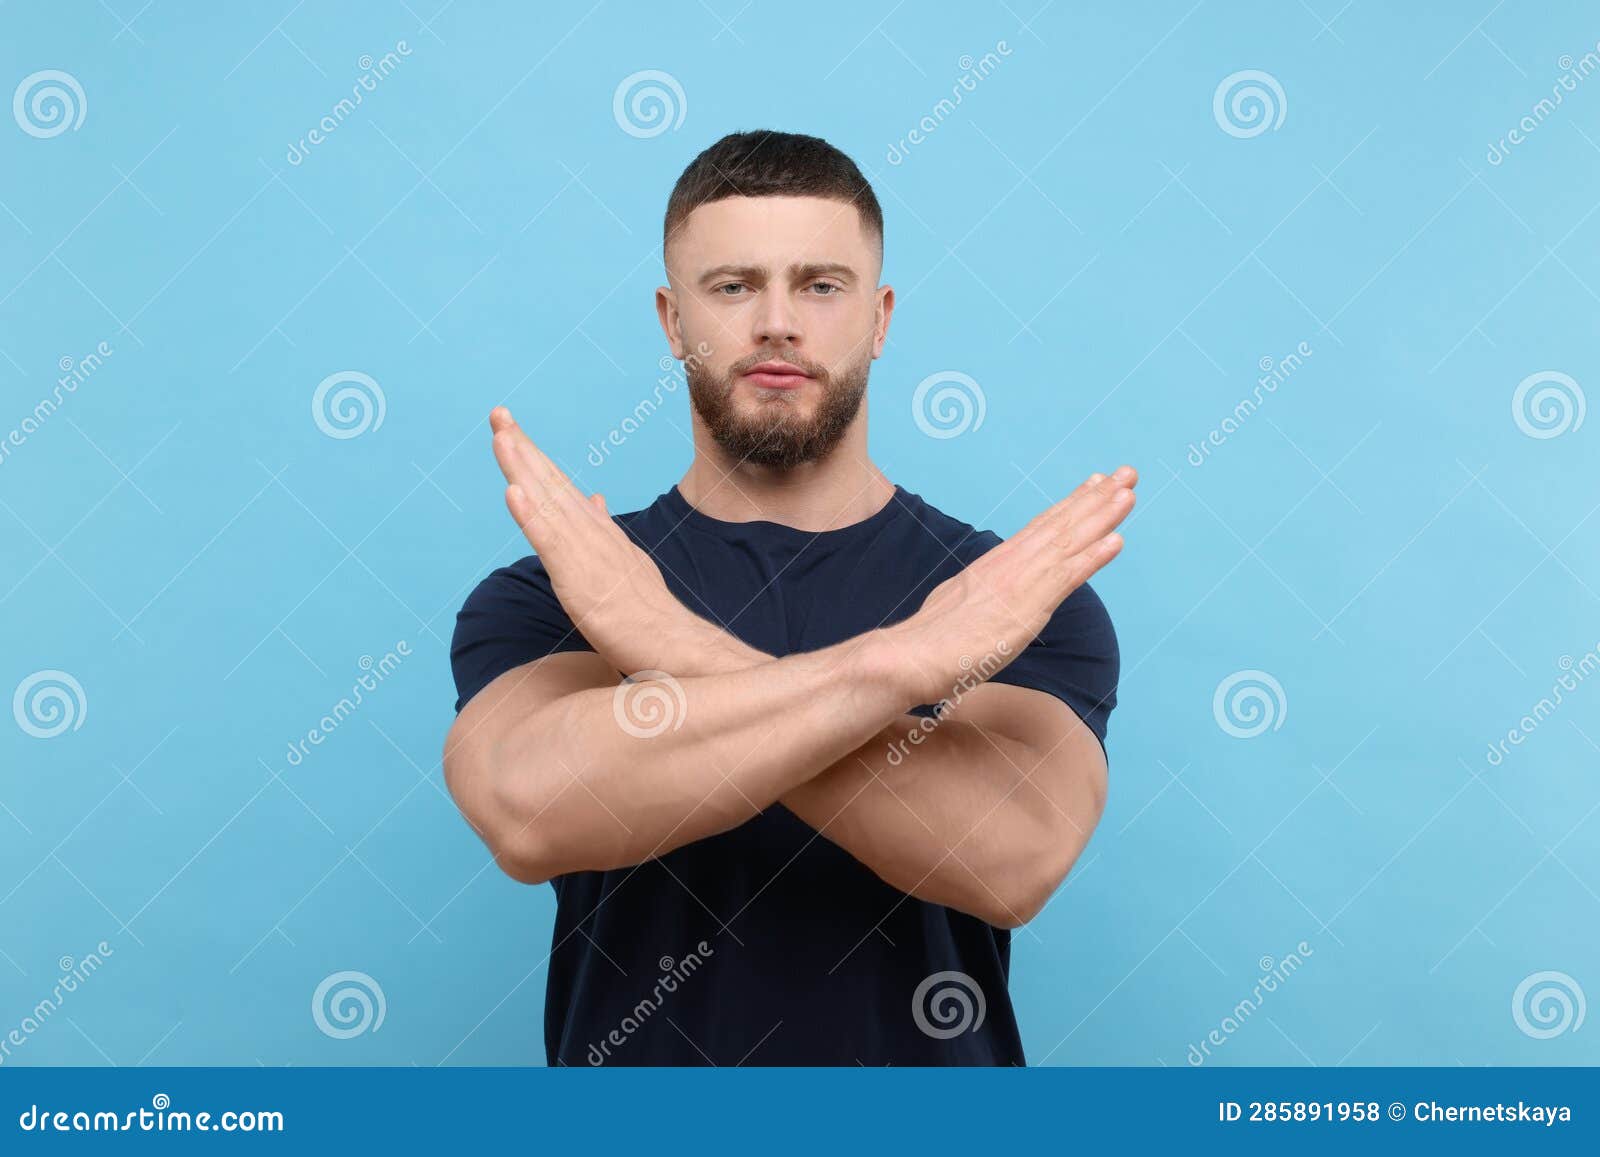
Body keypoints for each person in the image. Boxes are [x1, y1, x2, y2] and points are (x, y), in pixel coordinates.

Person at [444, 130, 1137, 1066]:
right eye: (732, 287)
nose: (777, 322)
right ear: (670, 319)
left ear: (881, 318)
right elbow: (529, 813)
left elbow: (1009, 857)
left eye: (821, 285)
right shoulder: (561, 588)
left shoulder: (1008, 596)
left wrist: (663, 643)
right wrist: (899, 668)